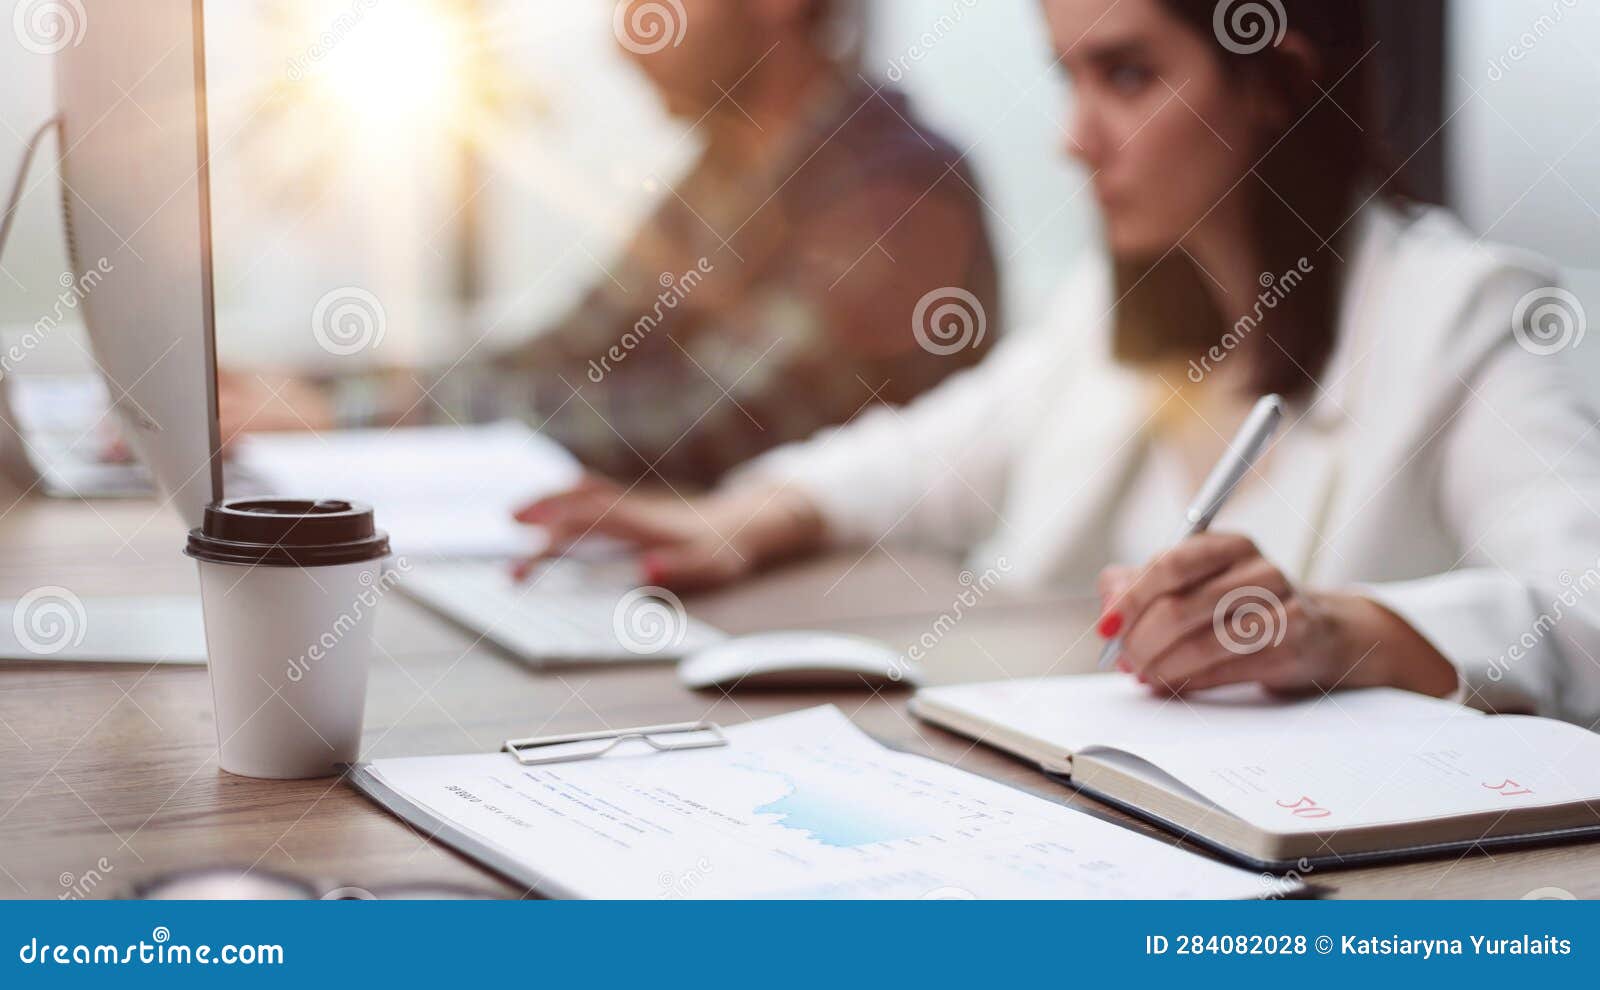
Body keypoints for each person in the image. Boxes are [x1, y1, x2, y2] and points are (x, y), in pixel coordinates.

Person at [513, 0, 1600, 725]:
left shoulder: (1469, 317)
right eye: (1065, 77)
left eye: (1126, 76)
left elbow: (1583, 615)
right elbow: (923, 455)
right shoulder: (1118, 318)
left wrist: (1338, 631)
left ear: (1275, 81)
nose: (1074, 138)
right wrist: (741, 517)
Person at [220, 0, 1000, 489]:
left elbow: (702, 426)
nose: (626, 35)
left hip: (856, 634)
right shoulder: (724, 172)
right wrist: (315, 384)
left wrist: (354, 419)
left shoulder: (900, 191)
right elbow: (564, 347)